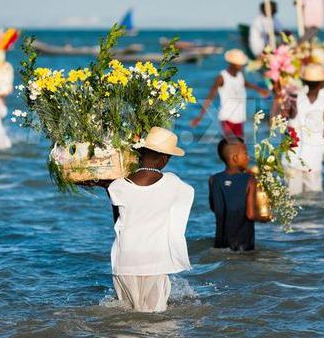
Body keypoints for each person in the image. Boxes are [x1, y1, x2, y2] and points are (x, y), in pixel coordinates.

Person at [106, 127, 194, 312]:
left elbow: (118, 223)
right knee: (154, 321)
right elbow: (186, 197)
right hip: (154, 260)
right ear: (164, 158)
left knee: (125, 316)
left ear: (140, 153)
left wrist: (106, 184)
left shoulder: (118, 186)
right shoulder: (174, 184)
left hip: (125, 260)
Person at [191, 49, 270, 138]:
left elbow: (245, 83)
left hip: (239, 117)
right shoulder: (222, 77)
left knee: (240, 143)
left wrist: (259, 90)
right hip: (227, 118)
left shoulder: (240, 75)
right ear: (232, 63)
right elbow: (210, 96)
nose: (241, 66)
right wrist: (200, 117)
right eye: (239, 64)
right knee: (232, 144)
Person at [284, 64, 324, 194]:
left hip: (292, 159)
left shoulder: (293, 101)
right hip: (313, 161)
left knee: (291, 202)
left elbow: (281, 122)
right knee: (315, 202)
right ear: (322, 83)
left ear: (303, 82)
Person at [209, 137, 268, 251]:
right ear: (235, 158)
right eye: (245, 153)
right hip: (244, 244)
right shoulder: (250, 179)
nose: (248, 157)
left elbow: (214, 208)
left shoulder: (213, 180)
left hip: (220, 243)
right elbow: (250, 214)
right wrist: (263, 218)